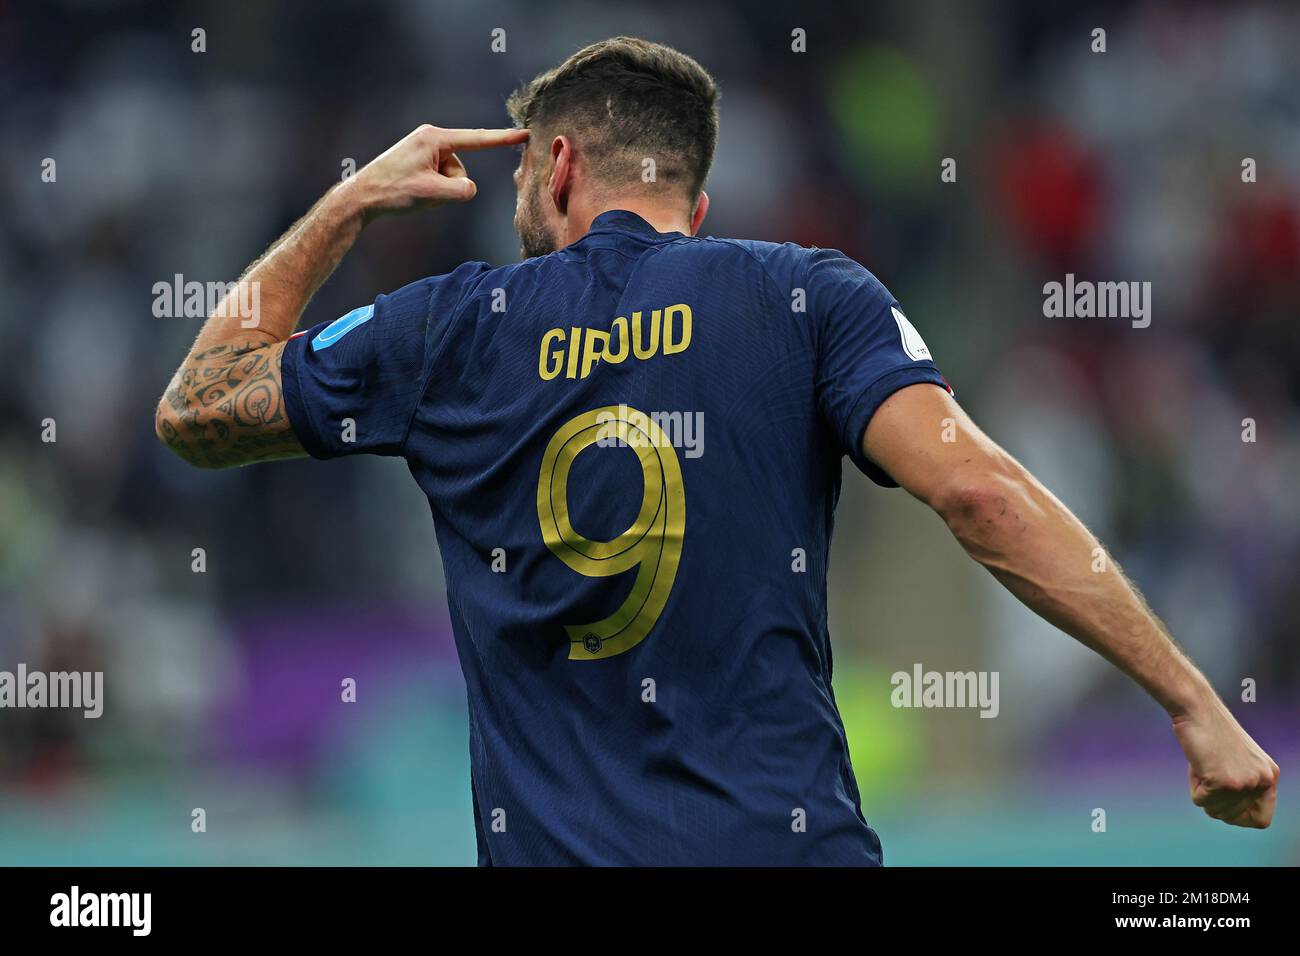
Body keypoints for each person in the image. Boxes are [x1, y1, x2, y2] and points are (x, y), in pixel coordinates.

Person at [156, 37, 1278, 865]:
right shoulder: (806, 294)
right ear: (696, 201)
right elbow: (981, 493)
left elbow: (195, 408)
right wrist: (1190, 700)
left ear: (553, 167)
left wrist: (348, 205)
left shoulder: (447, 326)